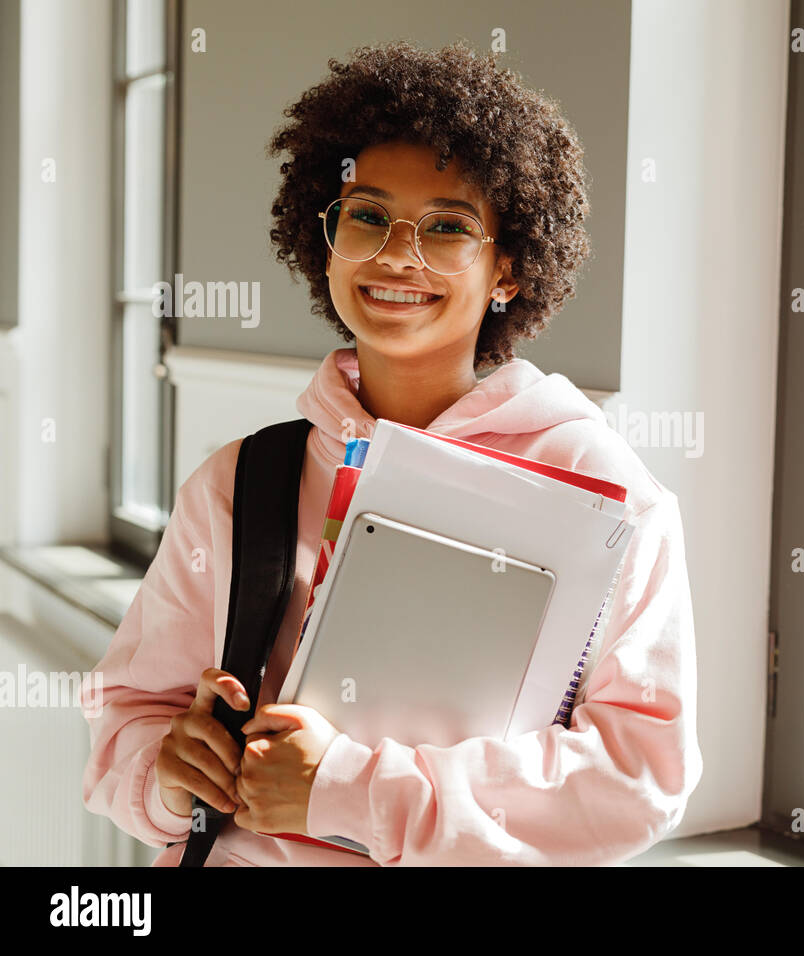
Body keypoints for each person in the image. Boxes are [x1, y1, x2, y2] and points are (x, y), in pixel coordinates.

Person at [81, 39, 702, 866]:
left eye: (448, 228)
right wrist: (170, 771)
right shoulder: (242, 483)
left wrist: (349, 788)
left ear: (507, 268)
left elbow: (636, 780)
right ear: (328, 240)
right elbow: (127, 720)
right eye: (366, 215)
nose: (396, 254)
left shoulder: (609, 496)